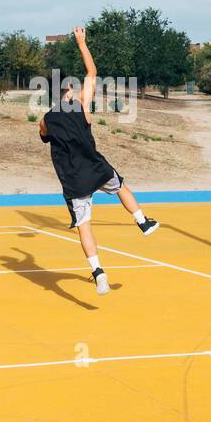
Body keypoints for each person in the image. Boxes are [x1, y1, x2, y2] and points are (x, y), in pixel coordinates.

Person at [38, 27, 158, 295]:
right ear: (69, 89)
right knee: (121, 187)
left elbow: (43, 134)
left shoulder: (46, 119)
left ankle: (98, 272)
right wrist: (82, 42)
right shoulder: (81, 105)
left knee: (84, 227)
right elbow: (92, 72)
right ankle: (142, 222)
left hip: (74, 179)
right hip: (96, 168)